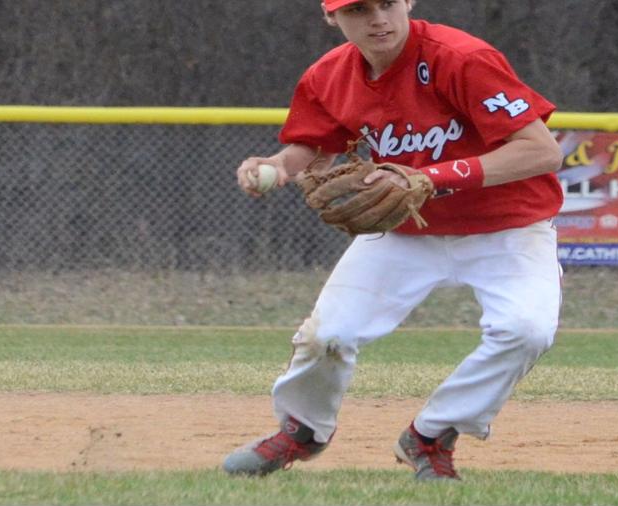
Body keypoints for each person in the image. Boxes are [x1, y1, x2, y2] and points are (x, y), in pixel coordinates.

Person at [224, 0, 565, 480]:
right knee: (329, 335)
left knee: (525, 330)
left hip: (506, 225)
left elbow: (541, 151)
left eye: (388, 3)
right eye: (359, 9)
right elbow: (315, 142)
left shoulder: (461, 58)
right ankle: (302, 430)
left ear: (408, 3)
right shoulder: (329, 76)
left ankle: (430, 436)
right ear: (332, 17)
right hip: (405, 226)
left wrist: (432, 177)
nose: (378, 19)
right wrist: (280, 167)